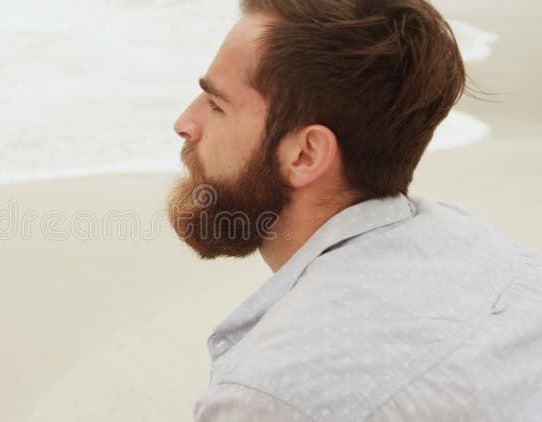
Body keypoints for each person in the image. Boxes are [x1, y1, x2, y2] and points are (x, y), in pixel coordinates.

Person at [166, 1, 542, 420]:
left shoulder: (271, 397)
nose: (184, 122)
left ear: (305, 154)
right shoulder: (498, 256)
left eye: (217, 105)